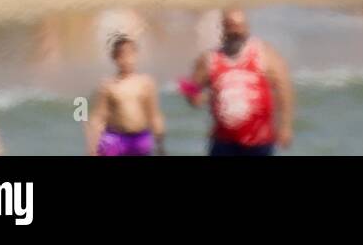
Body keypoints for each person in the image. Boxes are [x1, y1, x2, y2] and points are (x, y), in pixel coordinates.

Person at [183, 9, 293, 156]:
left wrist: (285, 126)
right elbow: (190, 88)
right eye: (231, 27)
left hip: (259, 140)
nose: (236, 32)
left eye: (240, 27)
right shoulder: (210, 59)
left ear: (247, 28)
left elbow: (284, 88)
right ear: (223, 29)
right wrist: (199, 98)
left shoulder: (264, 54)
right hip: (224, 142)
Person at [88, 35, 165, 156]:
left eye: (130, 54)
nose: (126, 60)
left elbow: (154, 115)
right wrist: (92, 147)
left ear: (136, 55)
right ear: (114, 58)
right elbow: (99, 117)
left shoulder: (145, 83)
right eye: (121, 55)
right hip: (115, 137)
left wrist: (160, 144)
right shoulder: (108, 86)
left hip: (139, 138)